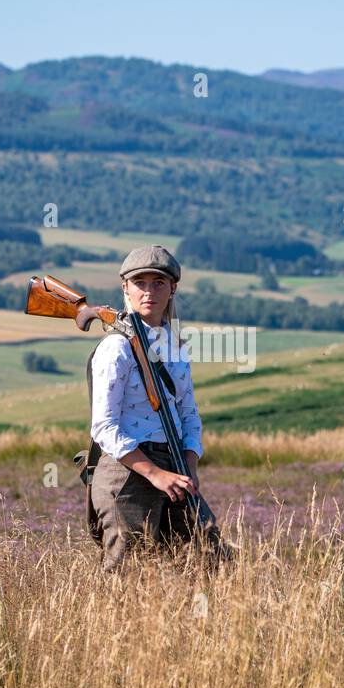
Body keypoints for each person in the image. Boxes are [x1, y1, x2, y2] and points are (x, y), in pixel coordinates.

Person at [86, 245, 229, 572]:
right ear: (126, 287)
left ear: (172, 288)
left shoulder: (176, 348)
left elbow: (189, 416)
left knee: (211, 562)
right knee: (128, 575)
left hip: (175, 462)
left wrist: (189, 466)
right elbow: (104, 427)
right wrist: (155, 474)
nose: (149, 291)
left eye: (158, 283)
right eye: (140, 283)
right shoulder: (116, 347)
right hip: (128, 471)